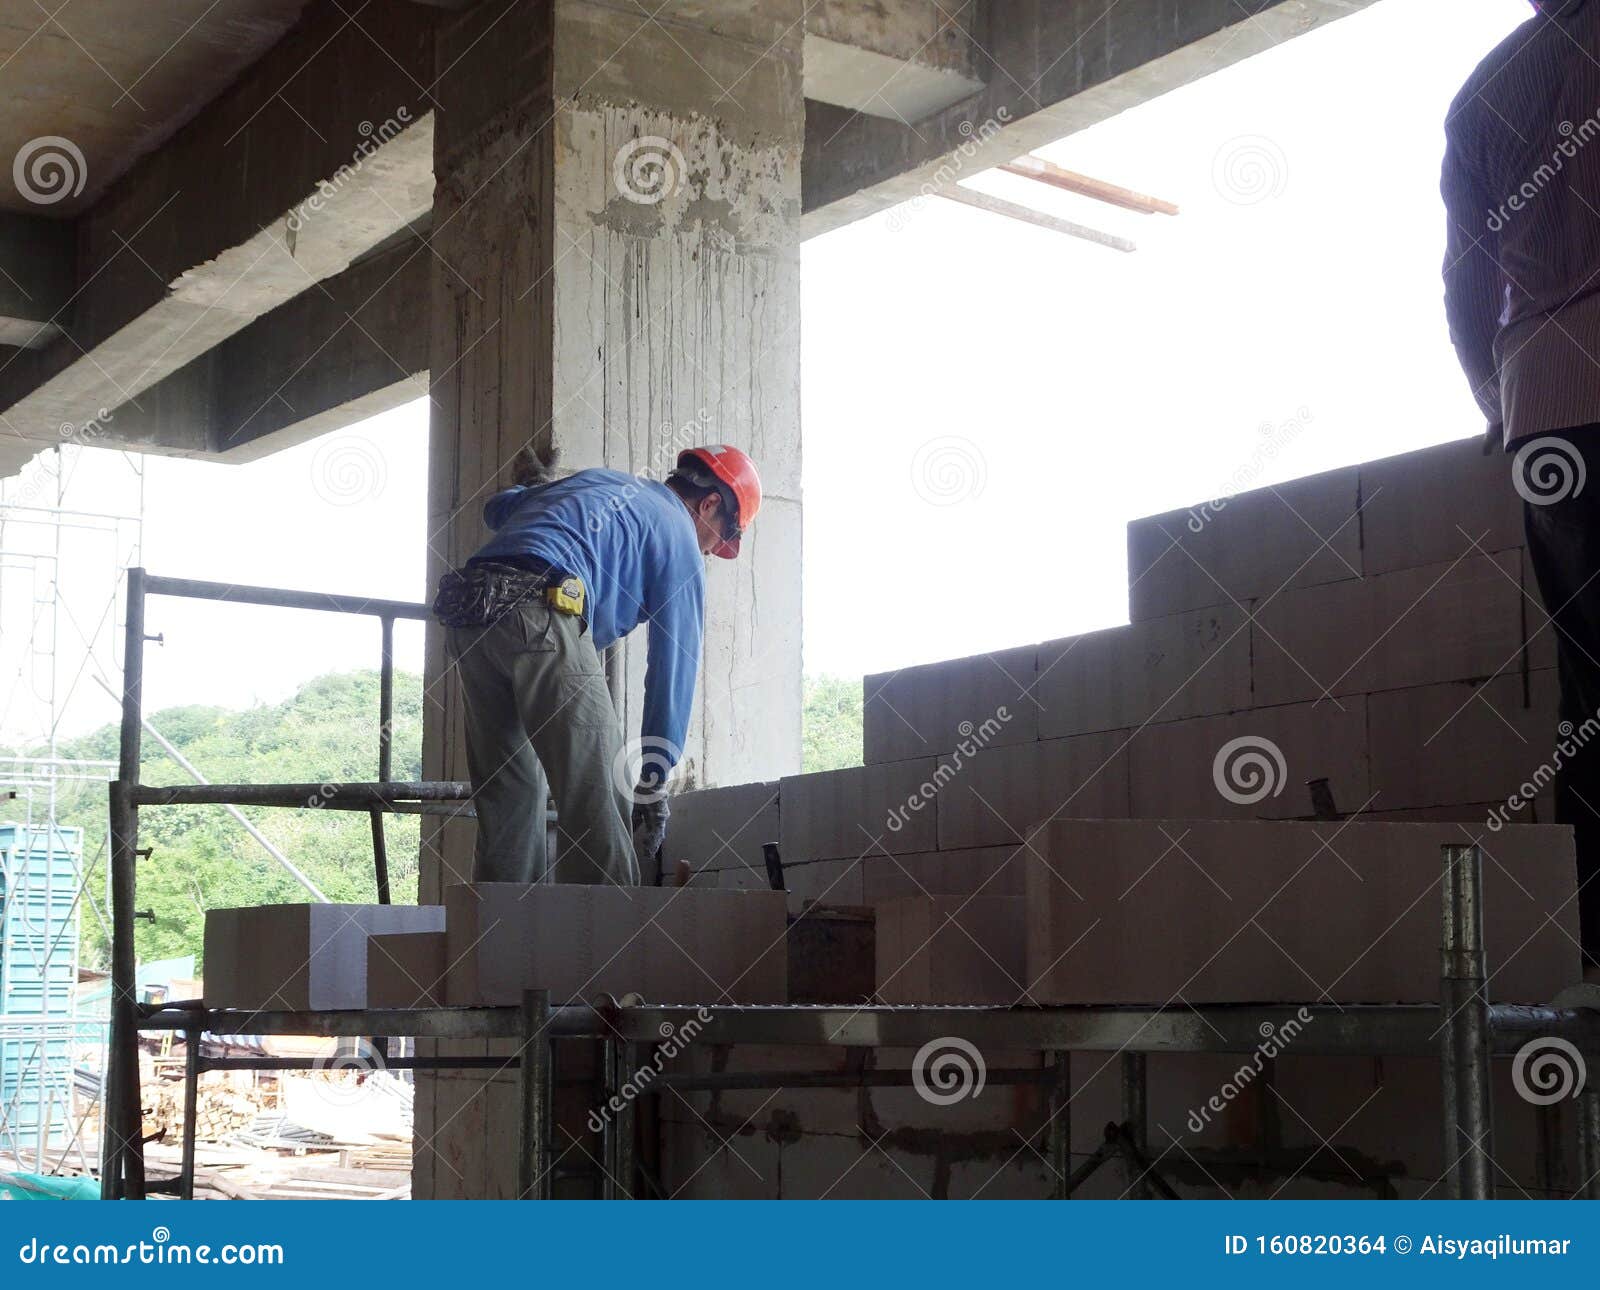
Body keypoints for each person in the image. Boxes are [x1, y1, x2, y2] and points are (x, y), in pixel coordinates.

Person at [1442, 0, 1600, 965]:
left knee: (1591, 687)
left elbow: (1466, 284)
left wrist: (1499, 405)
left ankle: (1599, 952)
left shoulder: (1487, 91)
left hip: (1552, 406)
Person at [433, 445, 762, 886]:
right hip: (539, 614)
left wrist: (536, 491)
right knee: (598, 797)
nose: (709, 552)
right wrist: (653, 777)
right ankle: (601, 948)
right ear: (709, 504)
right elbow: (673, 667)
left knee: (510, 797)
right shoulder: (681, 537)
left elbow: (498, 510)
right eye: (719, 540)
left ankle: (499, 943)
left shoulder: (600, 482)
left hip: (470, 613)